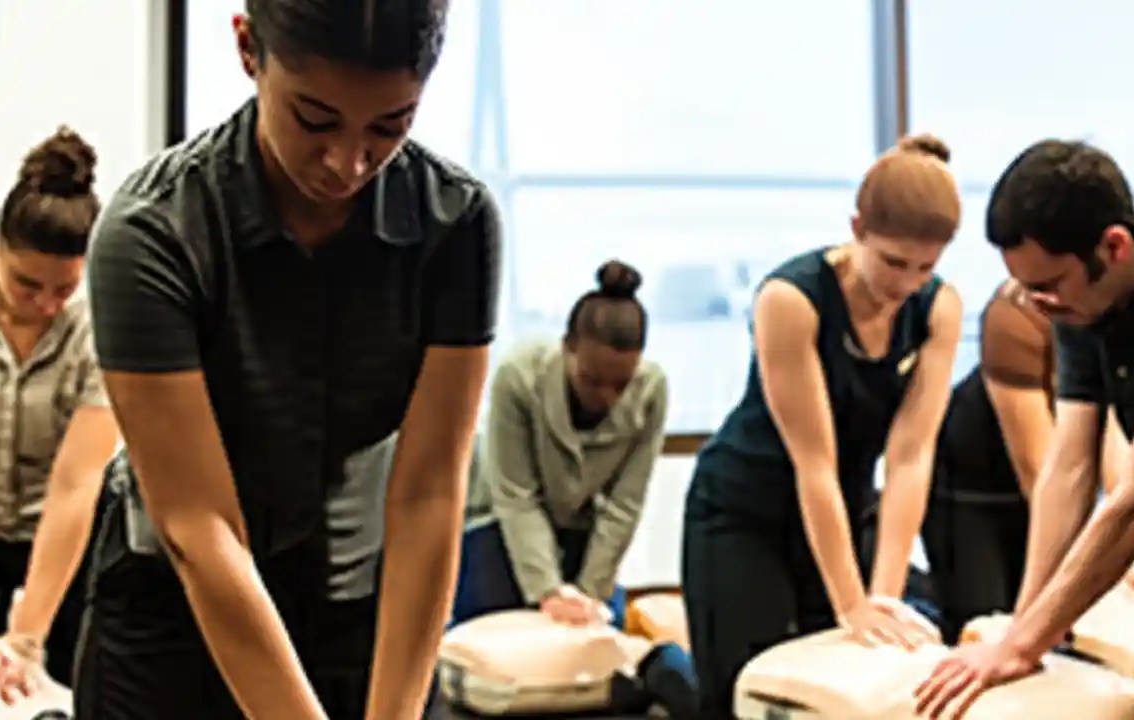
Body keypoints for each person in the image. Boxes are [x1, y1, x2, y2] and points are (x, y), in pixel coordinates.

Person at [78, 1, 500, 718]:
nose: (350, 162)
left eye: (390, 126)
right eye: (315, 119)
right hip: (172, 615)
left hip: (351, 606)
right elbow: (198, 526)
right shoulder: (153, 230)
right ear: (249, 50)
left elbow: (429, 492)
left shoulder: (454, 223)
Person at [914, 139, 1134, 720]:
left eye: (1050, 284)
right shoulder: (1081, 303)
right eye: (1028, 287)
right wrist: (1026, 628)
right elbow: (1069, 468)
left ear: (1113, 246)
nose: (1039, 303)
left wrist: (1023, 642)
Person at [681, 133, 965, 718]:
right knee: (742, 695)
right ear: (857, 227)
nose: (904, 284)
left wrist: (881, 597)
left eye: (924, 267)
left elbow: (910, 458)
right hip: (745, 509)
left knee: (850, 685)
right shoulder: (791, 298)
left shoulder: (939, 308)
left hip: (846, 506)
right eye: (891, 262)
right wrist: (851, 605)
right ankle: (666, 670)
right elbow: (815, 462)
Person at [921, 280, 1134, 642]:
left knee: (1070, 619)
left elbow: (1116, 443)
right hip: (972, 488)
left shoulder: (1117, 312)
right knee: (988, 624)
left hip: (1054, 473)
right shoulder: (1015, 313)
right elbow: (1044, 469)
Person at [454, 259, 668, 628]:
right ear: (568, 347)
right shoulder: (519, 375)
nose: (606, 397)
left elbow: (624, 505)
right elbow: (516, 495)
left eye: (620, 384)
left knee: (601, 629)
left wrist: (587, 595)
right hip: (498, 521)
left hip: (581, 525)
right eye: (591, 380)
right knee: (495, 628)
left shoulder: (651, 391)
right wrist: (548, 593)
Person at [0, 128, 119, 693]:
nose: (47, 304)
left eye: (63, 288)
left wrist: (24, 638)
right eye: (27, 285)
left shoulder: (98, 334)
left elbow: (76, 483)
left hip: (64, 550)